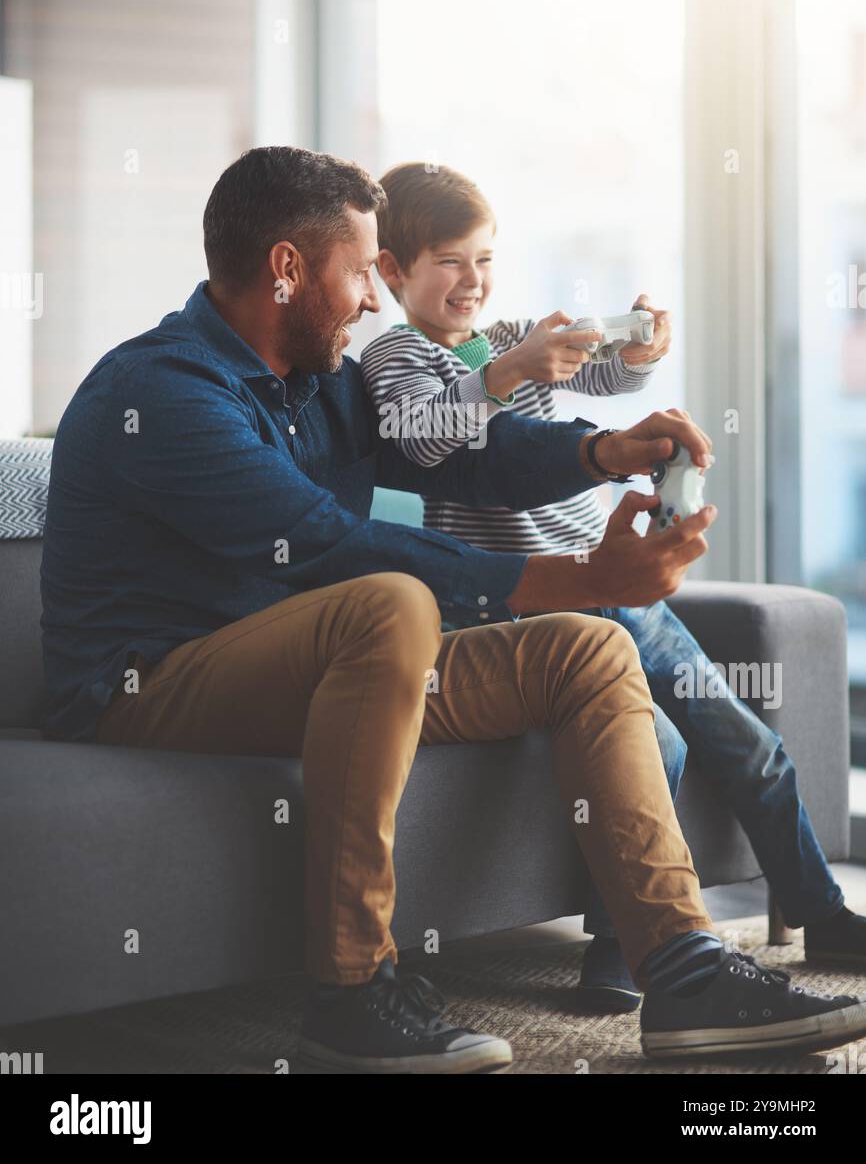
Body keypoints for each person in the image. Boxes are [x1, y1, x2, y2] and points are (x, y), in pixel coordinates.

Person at [41, 146, 866, 1074]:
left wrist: (607, 453)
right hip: (152, 685)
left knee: (586, 650)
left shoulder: (325, 388)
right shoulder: (161, 393)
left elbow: (476, 454)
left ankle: (684, 973)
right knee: (390, 598)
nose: (368, 300)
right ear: (286, 269)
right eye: (360, 271)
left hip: (321, 668)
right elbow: (325, 541)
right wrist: (585, 572)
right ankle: (352, 991)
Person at [360, 160, 866, 1015]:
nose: (472, 281)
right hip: (537, 611)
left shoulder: (514, 332)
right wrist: (507, 371)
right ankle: (622, 947)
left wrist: (637, 353)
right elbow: (421, 438)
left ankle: (821, 910)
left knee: (748, 743)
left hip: (622, 594)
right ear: (392, 270)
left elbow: (598, 374)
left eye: (484, 259)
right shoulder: (396, 359)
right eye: (449, 261)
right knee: (657, 751)